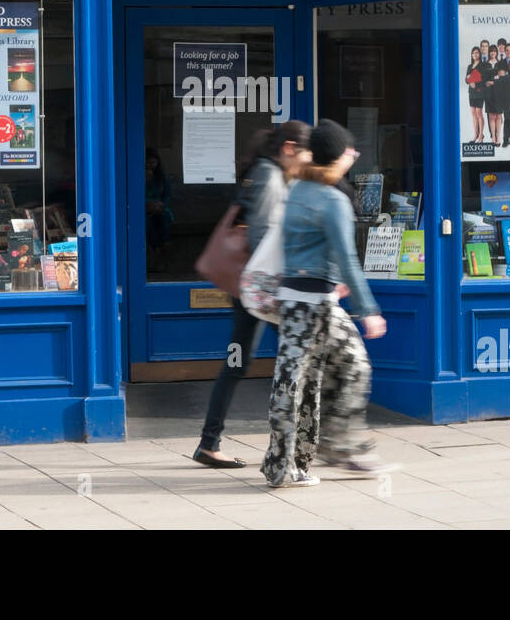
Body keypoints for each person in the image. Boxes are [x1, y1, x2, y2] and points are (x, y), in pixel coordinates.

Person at [261, 120, 398, 488]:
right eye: (348, 150)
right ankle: (337, 446)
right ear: (336, 156)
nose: (353, 155)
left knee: (296, 381)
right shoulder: (332, 199)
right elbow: (348, 258)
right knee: (349, 368)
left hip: (295, 301)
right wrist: (369, 309)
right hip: (317, 304)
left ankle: (292, 463)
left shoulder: (298, 189)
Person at [194, 121, 311, 469]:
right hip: (262, 292)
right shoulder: (269, 176)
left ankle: (208, 442)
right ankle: (328, 439)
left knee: (238, 363)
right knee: (302, 356)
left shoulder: (267, 172)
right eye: (305, 153)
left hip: (253, 290)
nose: (307, 161)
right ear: (289, 148)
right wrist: (282, 287)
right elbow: (262, 237)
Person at [144, 147, 173, 269]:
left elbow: (167, 195)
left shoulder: (162, 177)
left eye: (154, 163)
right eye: (149, 162)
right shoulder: (138, 176)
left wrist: (161, 205)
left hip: (159, 207)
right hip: (143, 209)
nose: (152, 166)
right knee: (146, 222)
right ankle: (156, 247)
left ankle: (164, 243)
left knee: (164, 217)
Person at [465, 46, 487, 144]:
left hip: (479, 91)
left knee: (479, 113)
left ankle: (481, 135)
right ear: (471, 54)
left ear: (480, 54)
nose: (475, 54)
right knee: (473, 113)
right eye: (473, 53)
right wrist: (469, 81)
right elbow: (466, 79)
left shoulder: (483, 65)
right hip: (471, 92)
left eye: (477, 52)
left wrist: (475, 83)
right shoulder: (469, 66)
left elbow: (484, 79)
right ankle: (476, 134)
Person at [483, 47, 503, 147]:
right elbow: (483, 80)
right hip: (489, 93)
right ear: (489, 53)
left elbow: (503, 78)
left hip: (499, 93)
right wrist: (490, 82)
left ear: (497, 53)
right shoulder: (485, 64)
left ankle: (498, 137)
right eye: (491, 51)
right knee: (491, 116)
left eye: (495, 51)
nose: (493, 53)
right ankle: (493, 138)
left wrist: (493, 82)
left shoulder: (500, 64)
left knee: (499, 116)